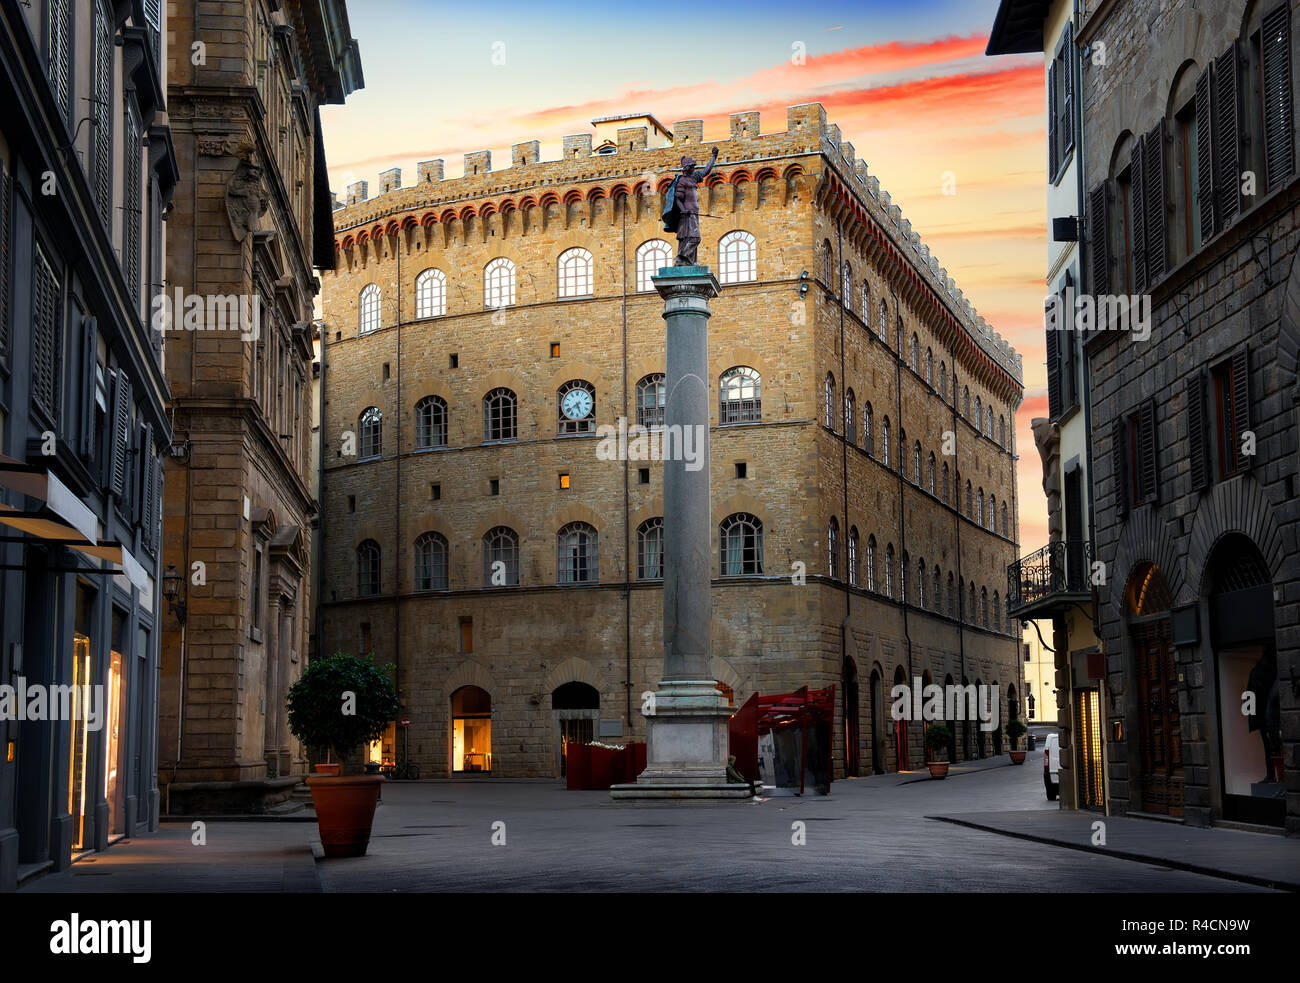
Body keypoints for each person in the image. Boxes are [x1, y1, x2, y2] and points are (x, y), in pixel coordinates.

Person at [662, 145, 719, 266]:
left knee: (688, 237)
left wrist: (713, 157)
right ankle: (681, 257)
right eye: (692, 166)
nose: (694, 168)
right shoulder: (682, 181)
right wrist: (683, 210)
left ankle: (689, 261)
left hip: (693, 213)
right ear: (687, 168)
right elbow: (677, 198)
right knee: (693, 238)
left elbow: (706, 171)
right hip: (687, 214)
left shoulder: (693, 178)